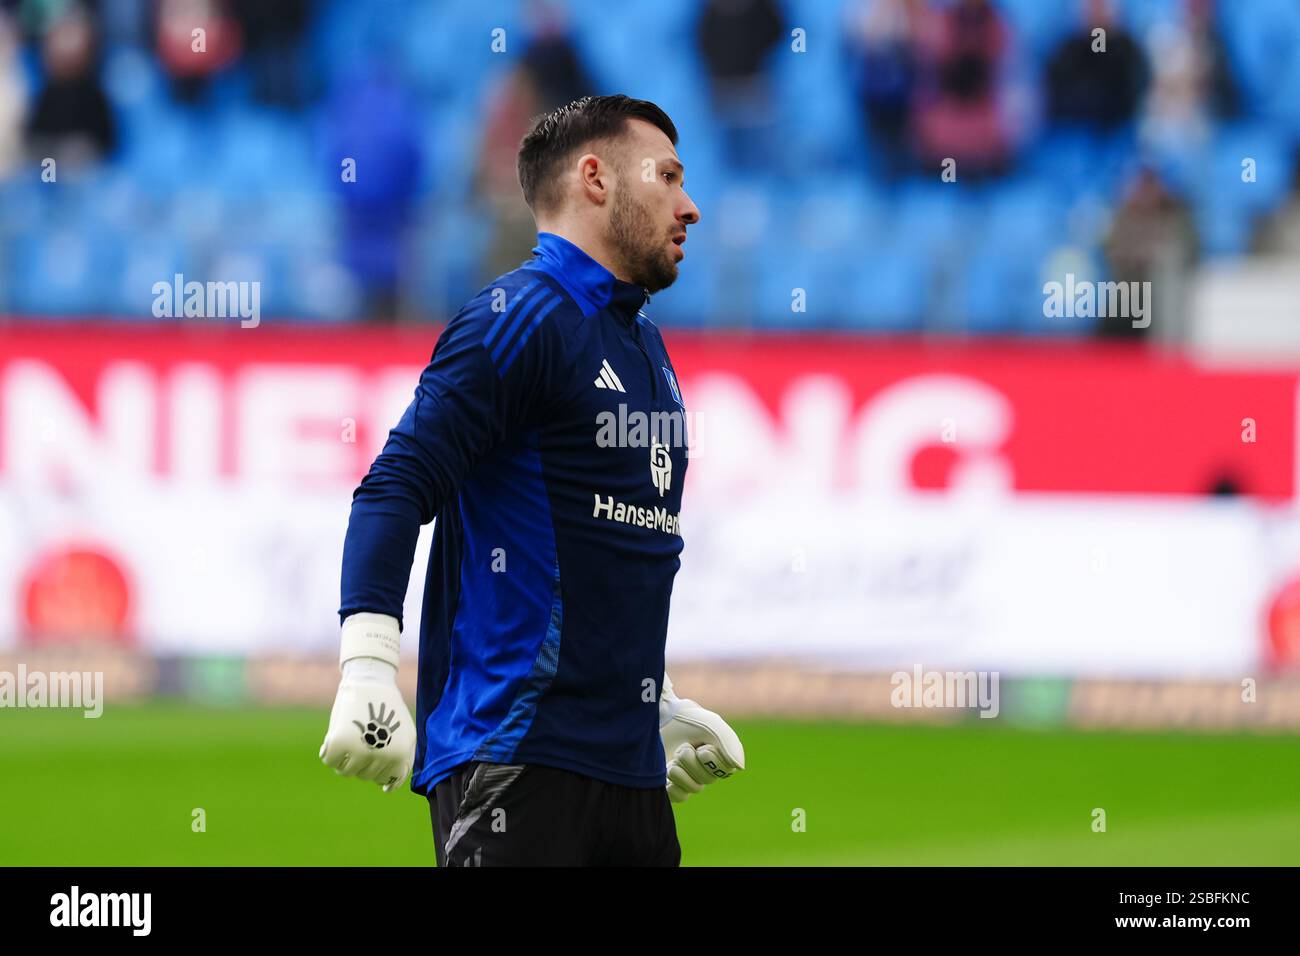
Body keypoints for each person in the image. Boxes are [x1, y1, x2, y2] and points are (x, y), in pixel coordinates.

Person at [320, 95, 745, 866]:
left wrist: (657, 702)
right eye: (670, 178)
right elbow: (395, 486)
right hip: (515, 759)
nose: (691, 207)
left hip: (632, 779)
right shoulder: (516, 317)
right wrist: (370, 664)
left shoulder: (647, 347)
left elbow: (607, 552)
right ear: (596, 179)